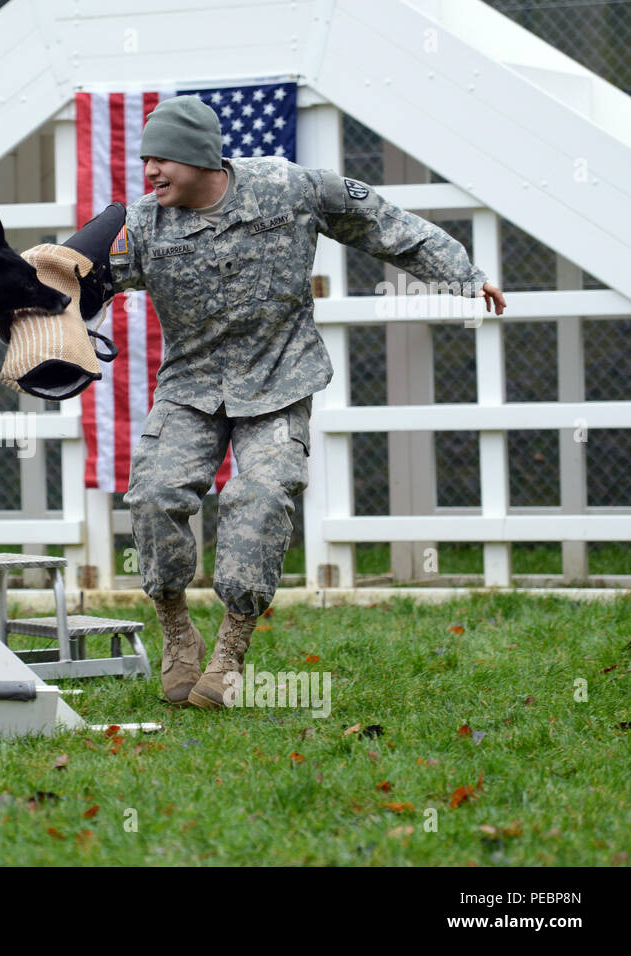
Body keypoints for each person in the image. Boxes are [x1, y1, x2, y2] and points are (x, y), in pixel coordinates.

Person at [102, 95, 506, 710]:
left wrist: (463, 276)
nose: (150, 173)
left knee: (258, 498)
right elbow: (76, 277)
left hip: (278, 383)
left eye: (162, 161)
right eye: (145, 160)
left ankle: (230, 652)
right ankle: (178, 633)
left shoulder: (290, 188)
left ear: (200, 157)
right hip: (190, 389)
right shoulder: (146, 224)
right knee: (155, 495)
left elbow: (387, 225)